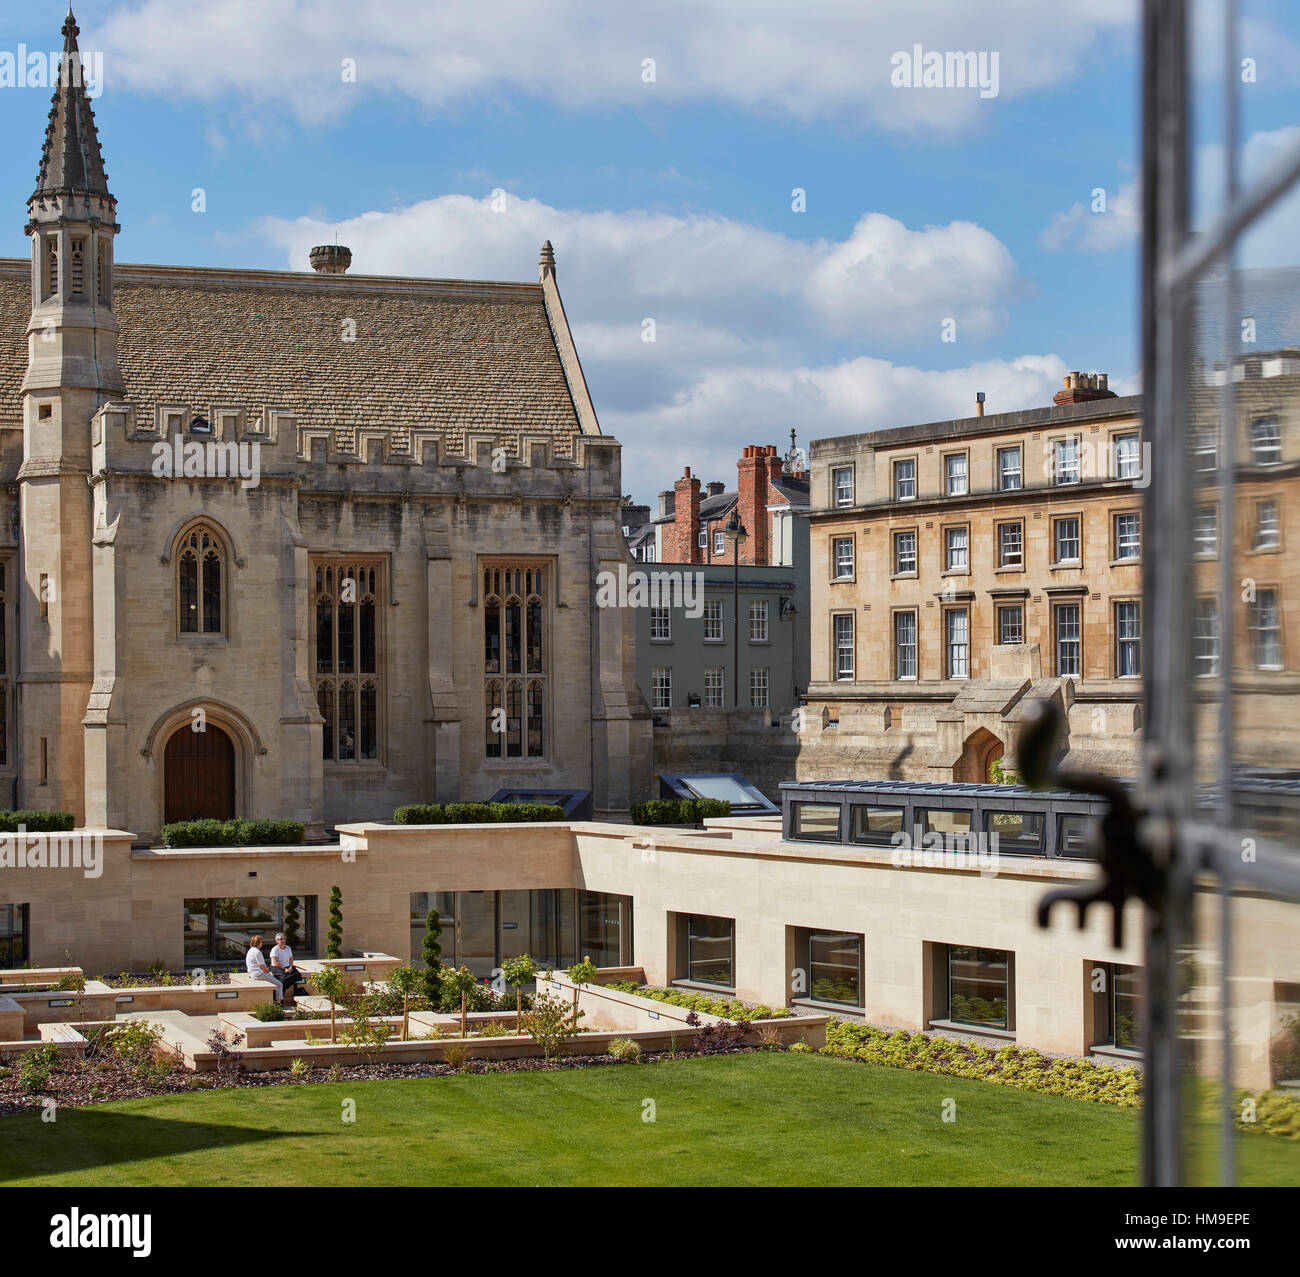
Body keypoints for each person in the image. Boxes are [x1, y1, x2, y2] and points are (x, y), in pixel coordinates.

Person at [244, 934, 282, 1003]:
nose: (262, 943)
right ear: (259, 943)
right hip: (259, 974)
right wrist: (269, 973)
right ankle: (279, 1003)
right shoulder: (257, 952)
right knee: (279, 984)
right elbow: (262, 967)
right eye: (261, 942)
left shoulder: (250, 951)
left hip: (252, 974)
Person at [269, 931, 304, 1006]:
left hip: (287, 966)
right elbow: (275, 962)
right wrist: (284, 969)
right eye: (280, 939)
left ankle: (296, 992)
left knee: (297, 975)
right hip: (277, 967)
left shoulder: (288, 948)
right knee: (283, 979)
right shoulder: (275, 949)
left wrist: (291, 966)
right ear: (277, 941)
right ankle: (278, 999)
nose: (282, 940)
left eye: (284, 939)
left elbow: (291, 959)